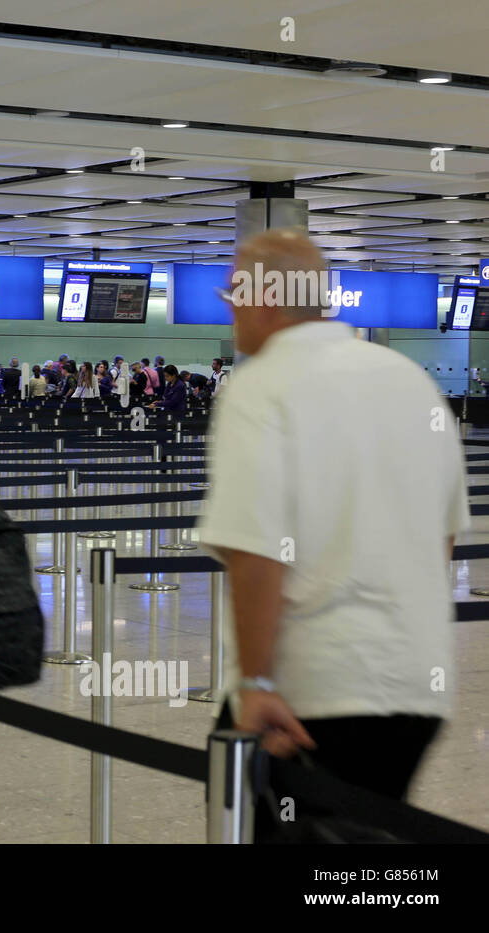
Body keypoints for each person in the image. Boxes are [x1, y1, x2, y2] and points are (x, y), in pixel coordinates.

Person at [200, 229, 468, 841]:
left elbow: (257, 549)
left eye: (233, 292)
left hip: (309, 695)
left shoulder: (260, 386)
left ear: (265, 297)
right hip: (412, 693)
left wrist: (258, 683)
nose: (230, 306)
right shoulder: (411, 382)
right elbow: (441, 544)